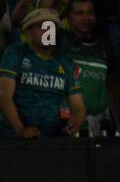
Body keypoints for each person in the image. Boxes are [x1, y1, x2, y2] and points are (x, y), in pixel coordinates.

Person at [0, 8, 85, 138]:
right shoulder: (15, 53)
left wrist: (74, 124)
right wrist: (21, 130)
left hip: (50, 141)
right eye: (43, 27)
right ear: (29, 32)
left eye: (52, 27)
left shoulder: (66, 63)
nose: (49, 32)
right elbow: (4, 96)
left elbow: (78, 106)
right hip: (12, 140)